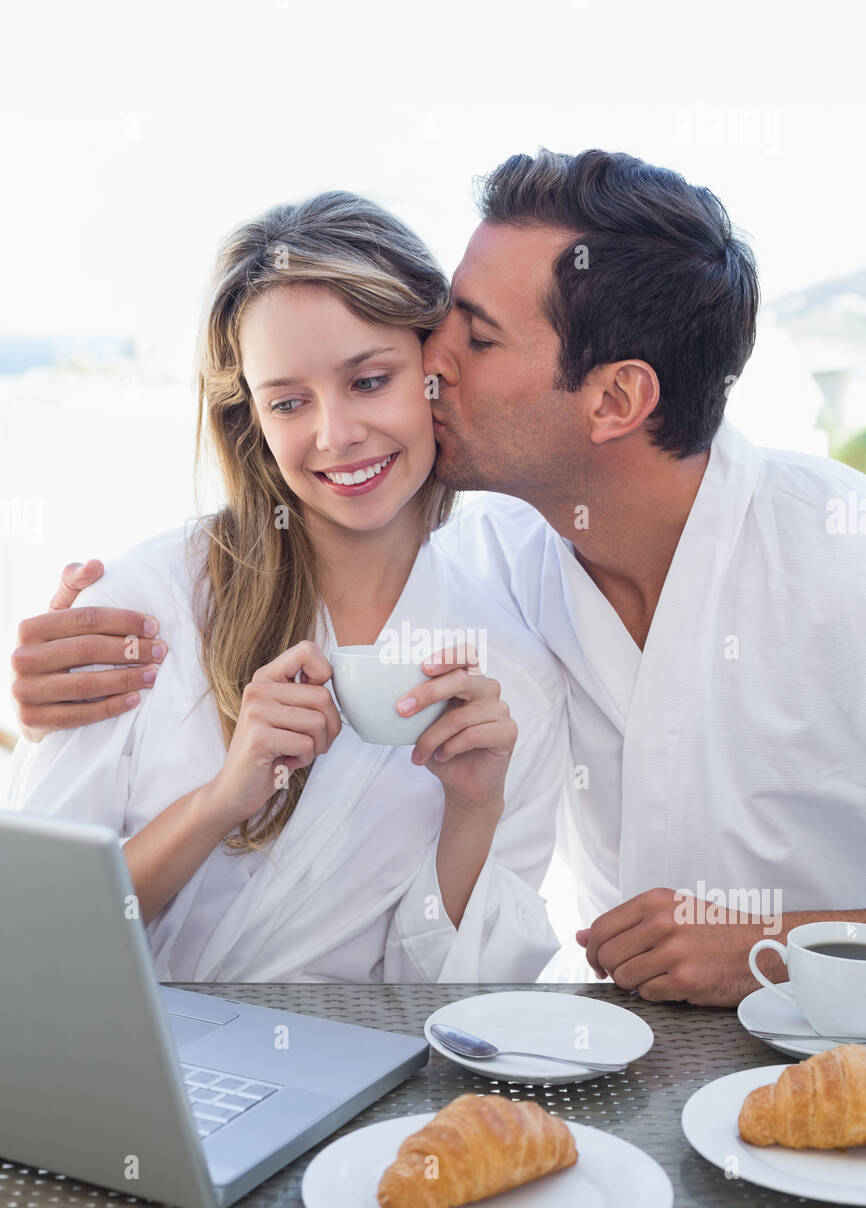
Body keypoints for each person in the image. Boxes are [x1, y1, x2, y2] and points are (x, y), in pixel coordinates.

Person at [16, 150, 866, 1007]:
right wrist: (60, 669)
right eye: (288, 400)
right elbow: (36, 930)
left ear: (615, 401)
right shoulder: (505, 556)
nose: (435, 360)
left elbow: (454, 967)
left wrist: (783, 944)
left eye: (475, 336)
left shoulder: (841, 556)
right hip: (641, 1066)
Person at [4, 192, 569, 984]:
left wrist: (473, 813)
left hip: (368, 1093)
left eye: (369, 381)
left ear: (433, 372)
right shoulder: (142, 608)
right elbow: (36, 937)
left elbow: (457, 1002)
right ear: (253, 422)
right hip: (147, 1079)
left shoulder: (512, 668)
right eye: (289, 402)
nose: (335, 435)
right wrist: (218, 804)